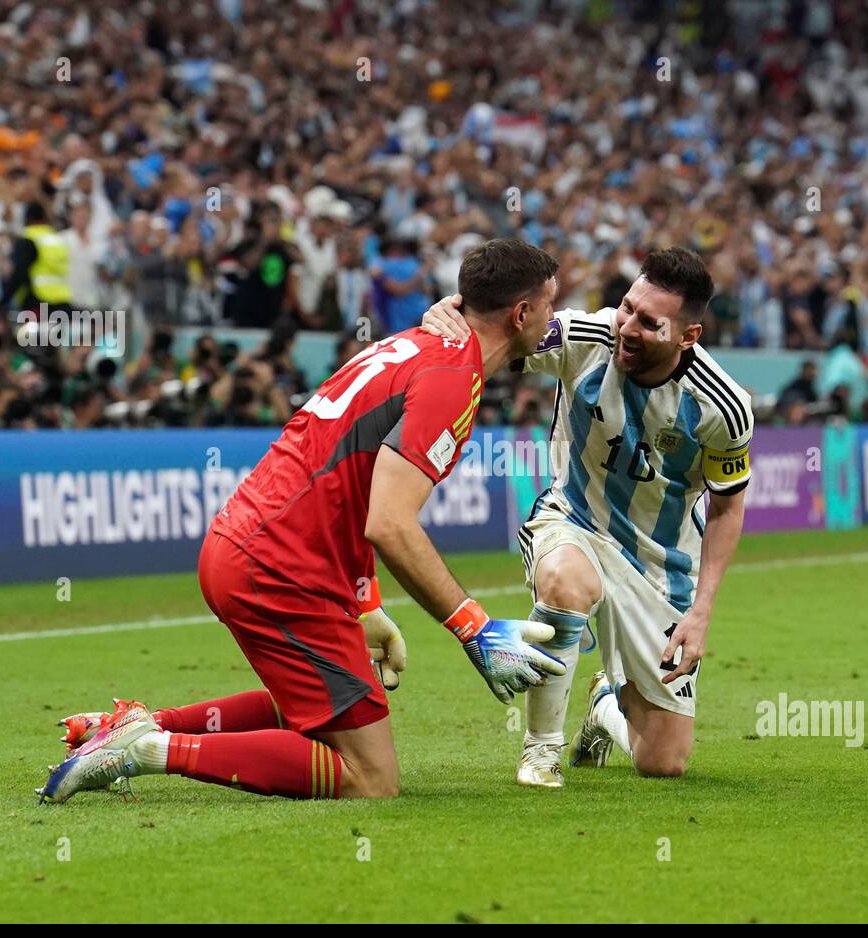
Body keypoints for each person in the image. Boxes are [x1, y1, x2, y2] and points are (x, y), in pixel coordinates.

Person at [39, 239, 567, 803]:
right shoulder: (451, 377)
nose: (553, 320)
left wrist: (364, 604)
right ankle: (144, 749)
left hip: (247, 545)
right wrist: (474, 628)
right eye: (549, 306)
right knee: (371, 778)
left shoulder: (414, 345)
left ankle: (144, 723)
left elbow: (353, 481)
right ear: (521, 313)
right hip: (278, 566)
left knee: (314, 708)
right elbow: (389, 523)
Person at [423, 247, 753, 787]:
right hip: (573, 517)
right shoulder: (584, 337)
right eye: (627, 308)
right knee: (566, 580)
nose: (628, 327)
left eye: (650, 323)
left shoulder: (723, 406)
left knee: (662, 762)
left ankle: (604, 707)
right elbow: (494, 334)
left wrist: (702, 611)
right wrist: (449, 313)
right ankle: (540, 750)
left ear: (687, 336)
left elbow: (727, 506)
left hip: (660, 564)